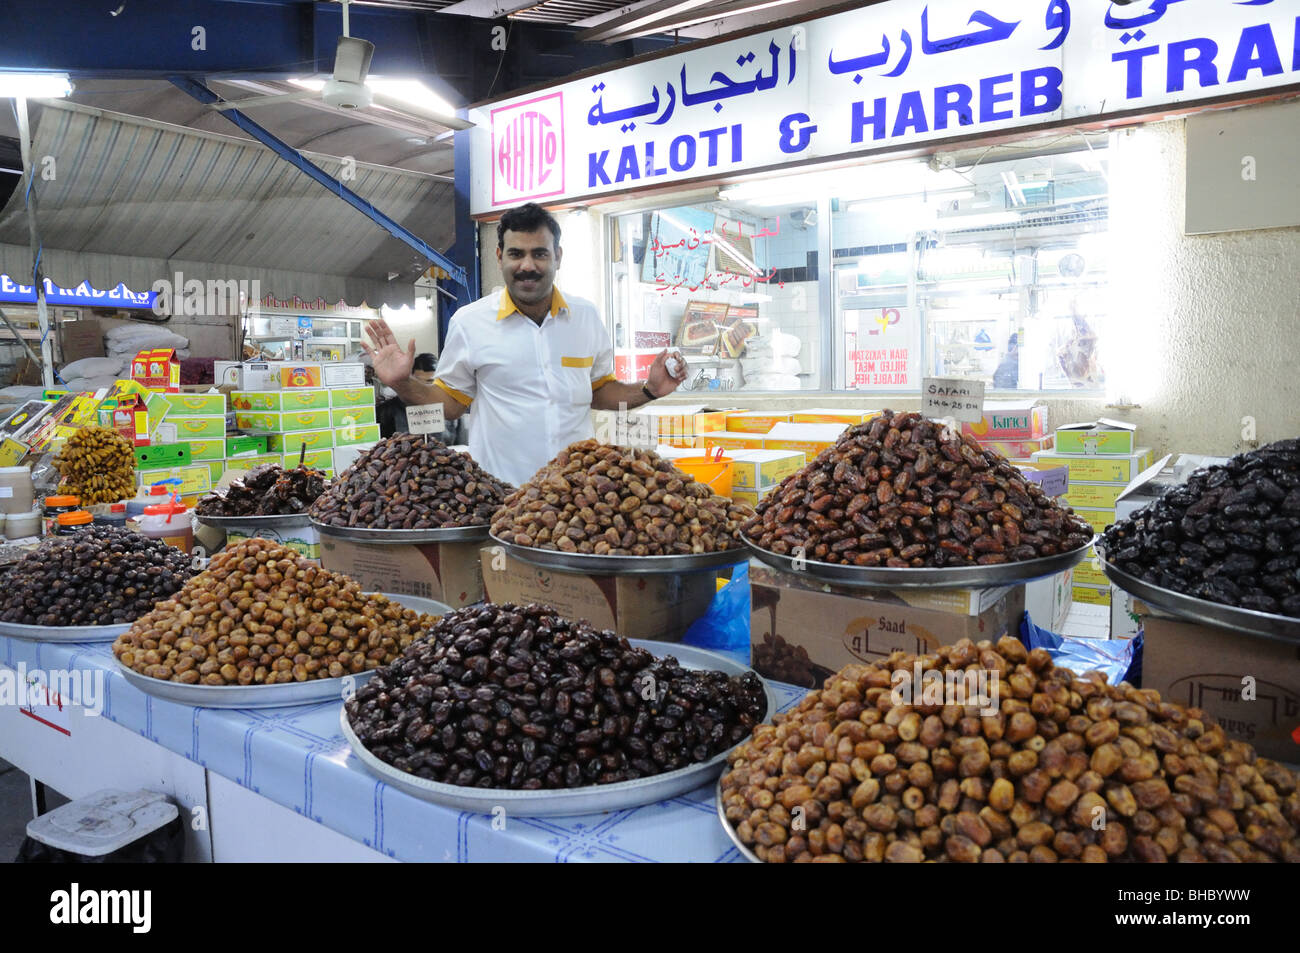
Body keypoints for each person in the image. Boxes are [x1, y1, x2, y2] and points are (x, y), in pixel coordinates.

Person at [362, 202, 687, 485]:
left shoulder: (585, 317)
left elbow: (600, 392)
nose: (527, 266)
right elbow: (450, 406)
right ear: (500, 255)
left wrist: (650, 390)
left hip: (577, 496)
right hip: (503, 497)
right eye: (516, 254)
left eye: (539, 254)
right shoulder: (470, 322)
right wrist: (402, 383)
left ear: (557, 257)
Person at [376, 352, 439, 437]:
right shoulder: (386, 412)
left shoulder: (449, 411)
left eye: (431, 383)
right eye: (419, 382)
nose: (425, 388)